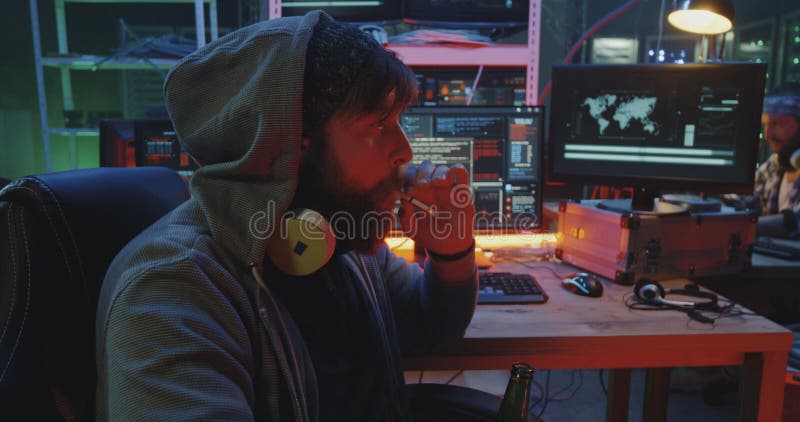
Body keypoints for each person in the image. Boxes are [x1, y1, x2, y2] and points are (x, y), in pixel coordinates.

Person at [95, 11, 478, 421]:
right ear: (291, 141)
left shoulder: (334, 233)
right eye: (378, 123)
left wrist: (451, 251)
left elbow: (430, 325)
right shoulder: (170, 292)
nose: (404, 150)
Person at [752, 81, 800, 237]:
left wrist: (744, 228)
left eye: (777, 124)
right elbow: (737, 200)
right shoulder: (774, 166)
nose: (768, 135)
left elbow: (795, 221)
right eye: (765, 125)